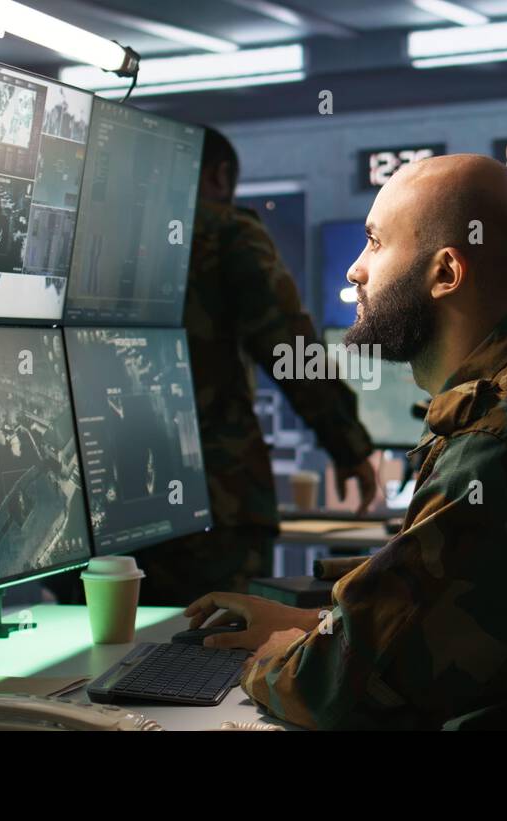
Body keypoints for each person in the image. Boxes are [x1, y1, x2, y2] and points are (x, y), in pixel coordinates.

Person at [183, 154, 507, 730]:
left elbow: (341, 692)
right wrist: (307, 624)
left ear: (446, 273)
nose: (355, 270)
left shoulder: (500, 443)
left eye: (374, 243)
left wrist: (266, 659)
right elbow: (449, 623)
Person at [131, 127, 378, 606]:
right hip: (213, 496)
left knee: (114, 649)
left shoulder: (108, 235)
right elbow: (288, 346)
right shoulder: (224, 233)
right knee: (217, 650)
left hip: (114, 495)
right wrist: (347, 444)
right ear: (220, 175)